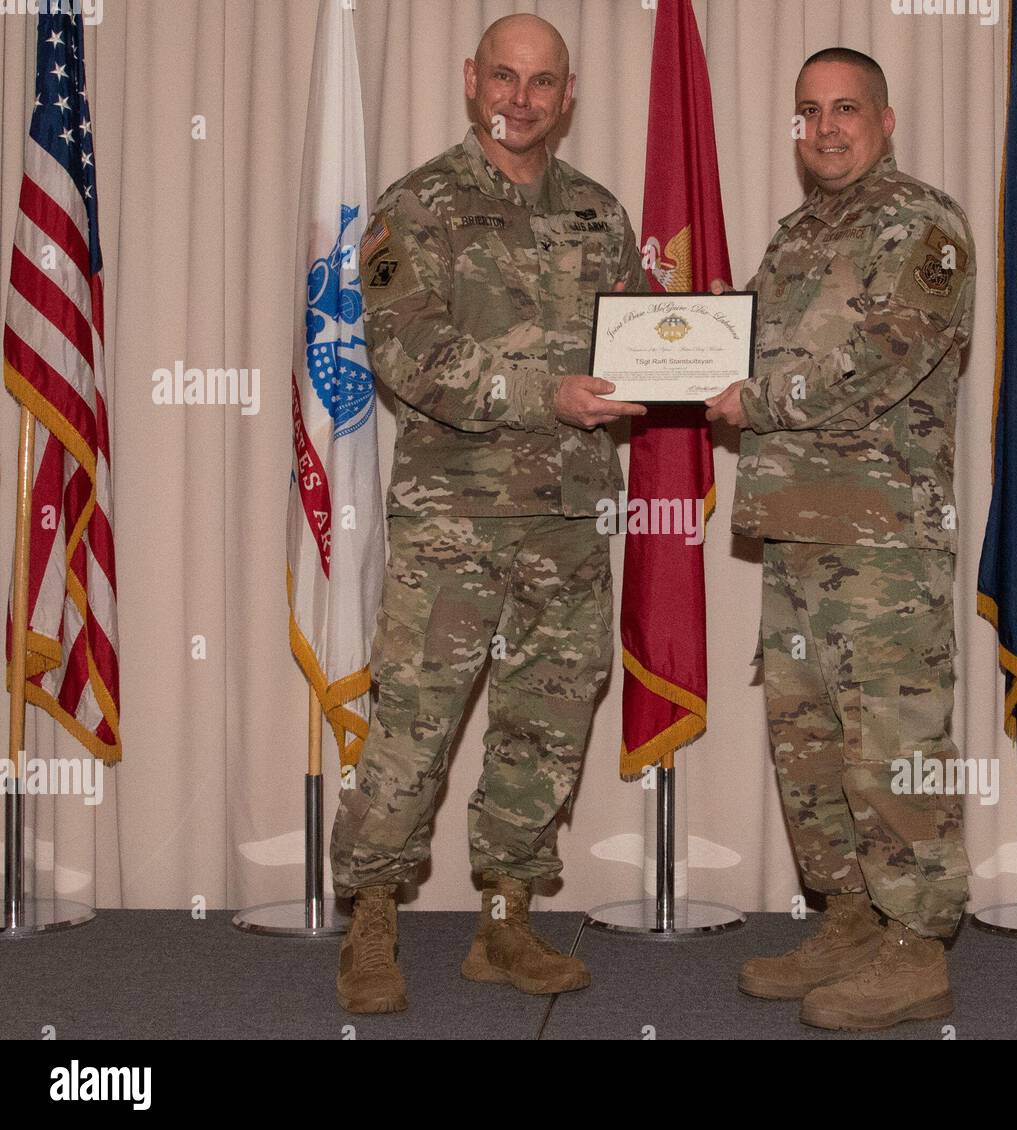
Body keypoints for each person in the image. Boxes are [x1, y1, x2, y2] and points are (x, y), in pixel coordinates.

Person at [331, 13, 647, 1014]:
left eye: (541, 82)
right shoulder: (414, 205)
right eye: (504, 78)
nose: (521, 98)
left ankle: (505, 919)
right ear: (472, 82)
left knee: (546, 721)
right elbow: (404, 350)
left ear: (567, 94)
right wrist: (542, 387)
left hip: (570, 511)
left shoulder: (601, 214)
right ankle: (372, 917)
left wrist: (675, 349)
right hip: (453, 516)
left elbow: (633, 339)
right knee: (413, 724)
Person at [705, 47, 976, 1032]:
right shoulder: (793, 240)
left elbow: (880, 360)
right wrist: (658, 358)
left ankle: (916, 943)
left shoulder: (922, 227)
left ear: (885, 118)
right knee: (809, 741)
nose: (826, 128)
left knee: (894, 745)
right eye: (809, 111)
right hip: (794, 527)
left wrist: (754, 396)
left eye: (846, 108)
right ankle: (851, 915)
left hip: (881, 539)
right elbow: (735, 350)